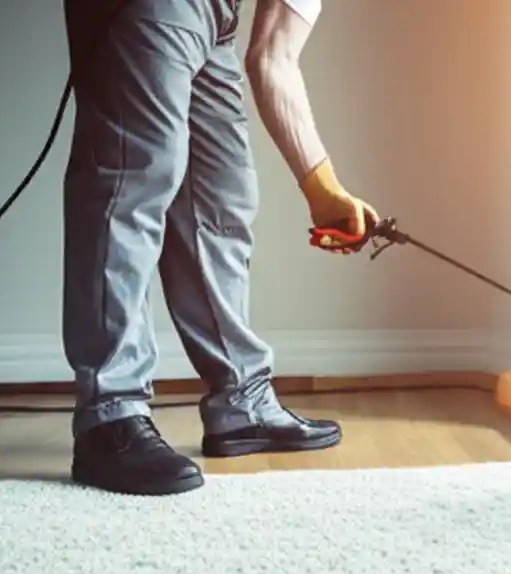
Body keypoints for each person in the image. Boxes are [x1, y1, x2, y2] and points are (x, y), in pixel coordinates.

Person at [62, 0, 372, 496]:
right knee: (133, 178)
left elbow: (274, 56)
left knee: (220, 196)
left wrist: (324, 189)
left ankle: (242, 401)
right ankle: (109, 416)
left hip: (214, 20)